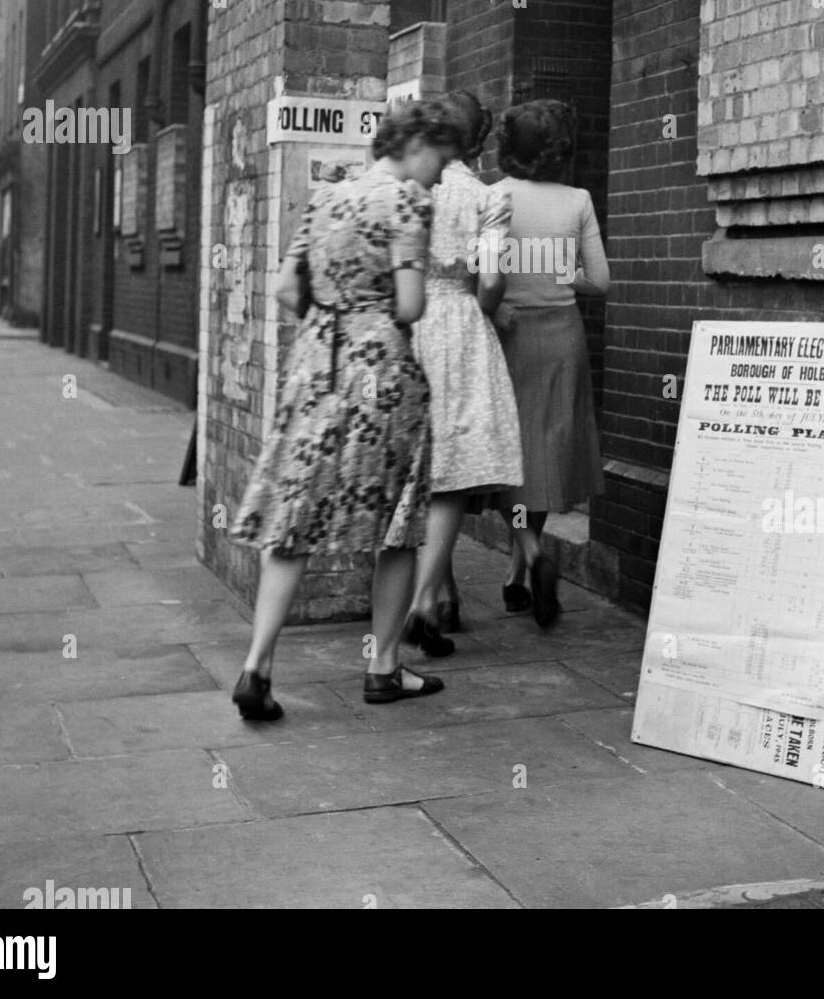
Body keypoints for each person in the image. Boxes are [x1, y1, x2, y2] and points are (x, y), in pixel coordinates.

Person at [228, 99, 465, 720]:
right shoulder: (409, 201)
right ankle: (383, 666)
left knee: (296, 512)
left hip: (314, 363)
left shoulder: (327, 196)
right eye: (441, 156)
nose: (441, 172)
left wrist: (327, 322)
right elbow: (410, 306)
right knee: (399, 516)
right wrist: (372, 313)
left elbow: (284, 288)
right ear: (415, 145)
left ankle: (256, 666)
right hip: (378, 371)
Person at [403, 91, 523, 656]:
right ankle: (426, 600)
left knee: (413, 463)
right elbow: (493, 282)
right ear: (478, 140)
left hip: (408, 322)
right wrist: (481, 301)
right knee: (453, 466)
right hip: (460, 320)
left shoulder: (405, 185)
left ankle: (424, 597)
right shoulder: (486, 195)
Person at [492, 100, 610, 626]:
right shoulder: (578, 200)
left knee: (508, 455)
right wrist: (562, 273)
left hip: (508, 334)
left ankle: (531, 559)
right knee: (542, 452)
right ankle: (519, 573)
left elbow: (481, 272)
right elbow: (600, 282)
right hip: (563, 334)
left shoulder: (494, 197)